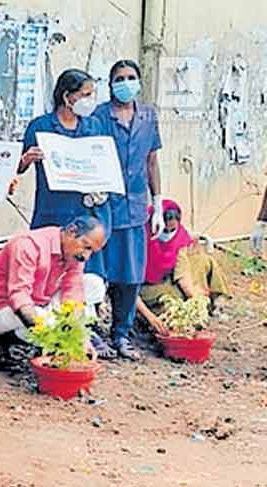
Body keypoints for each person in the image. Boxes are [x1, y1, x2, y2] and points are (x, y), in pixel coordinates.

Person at [18, 68, 114, 356]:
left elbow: (105, 162)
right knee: (46, 273)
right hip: (52, 210)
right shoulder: (40, 126)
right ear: (66, 96)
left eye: (91, 95)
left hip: (85, 209)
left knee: (84, 275)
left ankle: (81, 331)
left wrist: (103, 187)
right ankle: (43, 333)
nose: (89, 101)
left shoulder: (93, 126)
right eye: (85, 95)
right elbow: (17, 168)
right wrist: (26, 159)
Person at [91, 60, 165, 361]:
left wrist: (157, 203)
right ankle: (92, 333)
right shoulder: (98, 116)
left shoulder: (148, 117)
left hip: (135, 208)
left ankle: (121, 334)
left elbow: (152, 161)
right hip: (102, 207)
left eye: (131, 77)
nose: (125, 82)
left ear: (139, 81)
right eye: (119, 78)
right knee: (95, 273)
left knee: (130, 275)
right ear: (110, 84)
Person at [0, 216, 108, 359]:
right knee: (46, 320)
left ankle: (28, 336)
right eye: (86, 247)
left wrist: (80, 336)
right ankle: (7, 338)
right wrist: (55, 339)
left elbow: (74, 292)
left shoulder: (74, 253)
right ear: (71, 231)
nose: (86, 256)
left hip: (39, 305)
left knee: (94, 284)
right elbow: (19, 297)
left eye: (92, 251)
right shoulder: (28, 244)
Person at [136, 200, 229, 334]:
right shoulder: (140, 240)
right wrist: (150, 318)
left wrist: (195, 298)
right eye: (164, 229)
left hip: (171, 278)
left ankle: (216, 303)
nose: (168, 233)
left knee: (204, 261)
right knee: (170, 305)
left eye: (172, 229)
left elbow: (183, 275)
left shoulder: (180, 237)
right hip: (147, 287)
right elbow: (128, 288)